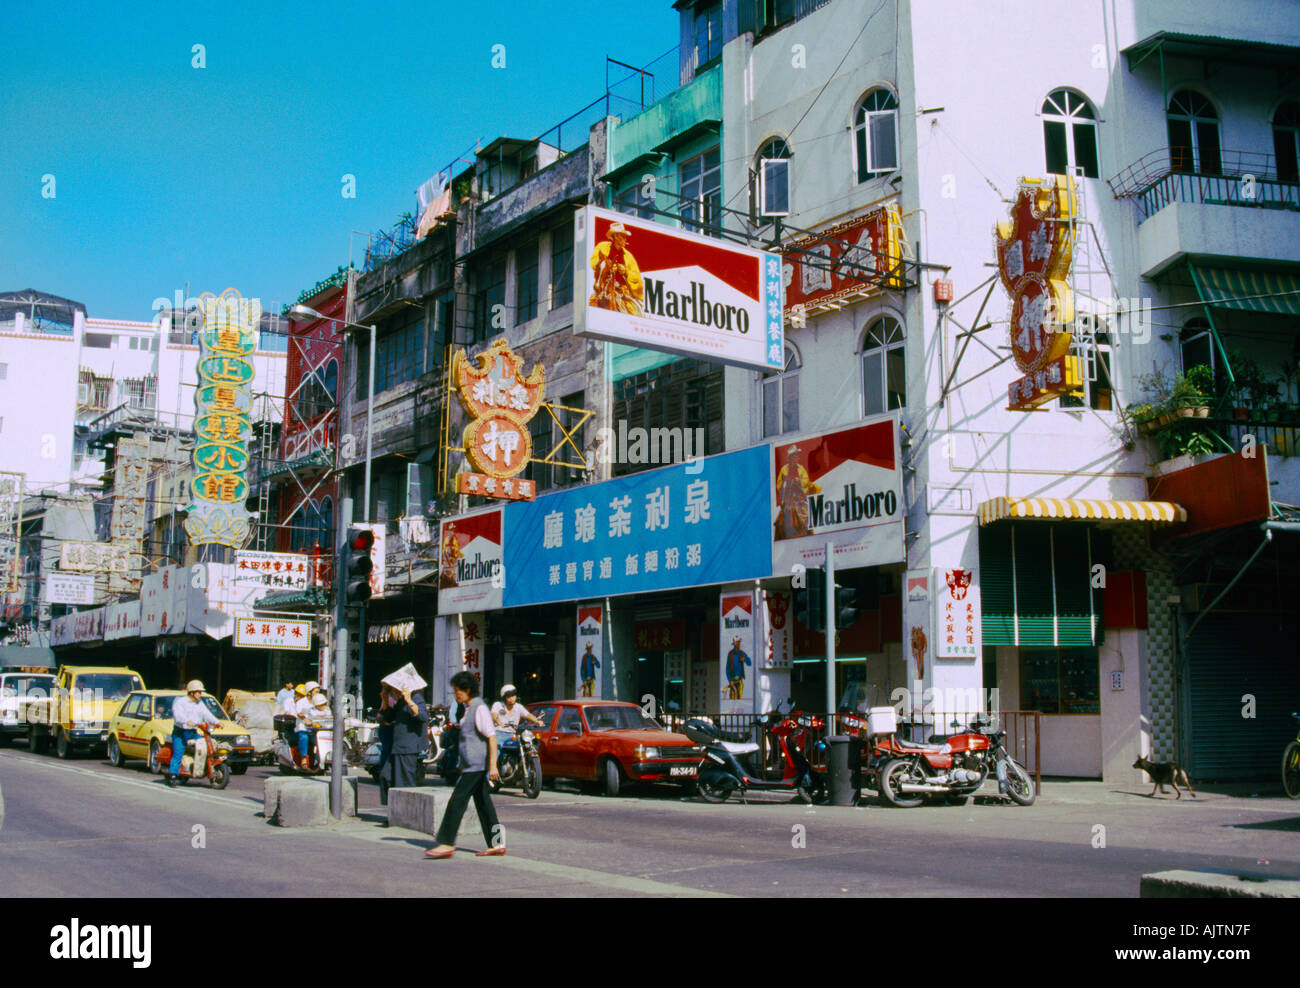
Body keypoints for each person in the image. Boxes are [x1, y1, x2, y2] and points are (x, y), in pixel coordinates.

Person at [424, 672, 502, 859]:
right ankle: (497, 843)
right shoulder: (468, 709)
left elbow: (491, 737)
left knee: (456, 802)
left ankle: (446, 843)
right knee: (484, 805)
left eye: (458, 691)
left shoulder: (479, 708)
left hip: (477, 766)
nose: (456, 694)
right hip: (470, 765)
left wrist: (493, 766)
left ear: (467, 690)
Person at [382, 682, 429, 802]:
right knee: (386, 776)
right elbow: (387, 719)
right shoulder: (400, 701)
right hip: (397, 746)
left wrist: (409, 700)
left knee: (405, 783)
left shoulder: (416, 698)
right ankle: (394, 810)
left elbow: (423, 716)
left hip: (408, 746)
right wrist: (385, 699)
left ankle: (408, 812)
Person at [168, 680, 220, 786]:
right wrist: (186, 721)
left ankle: (203, 768)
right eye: (199, 692)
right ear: (192, 692)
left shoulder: (199, 703)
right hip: (180, 733)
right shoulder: (181, 702)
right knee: (178, 753)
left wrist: (217, 722)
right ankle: (173, 775)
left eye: (201, 692)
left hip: (193, 732)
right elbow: (177, 715)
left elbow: (207, 714)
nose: (200, 694)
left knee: (205, 745)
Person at [588, 222, 643, 314]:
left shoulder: (628, 256)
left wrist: (625, 271)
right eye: (623, 236)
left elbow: (637, 276)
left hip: (622, 291)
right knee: (592, 303)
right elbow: (594, 263)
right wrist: (608, 266)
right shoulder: (602, 247)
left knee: (634, 312)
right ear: (616, 236)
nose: (625, 239)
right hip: (604, 287)